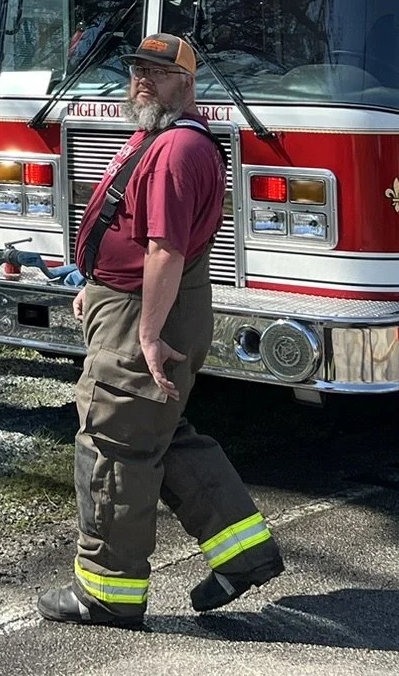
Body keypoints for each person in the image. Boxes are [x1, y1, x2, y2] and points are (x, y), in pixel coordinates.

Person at [36, 32, 282, 628]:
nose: (142, 80)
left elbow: (165, 250)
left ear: (188, 84)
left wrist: (145, 333)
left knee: (114, 444)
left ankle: (107, 595)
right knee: (161, 436)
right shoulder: (159, 138)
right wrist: (92, 284)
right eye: (137, 69)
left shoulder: (176, 149)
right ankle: (244, 554)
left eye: (158, 72)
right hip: (126, 303)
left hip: (145, 314)